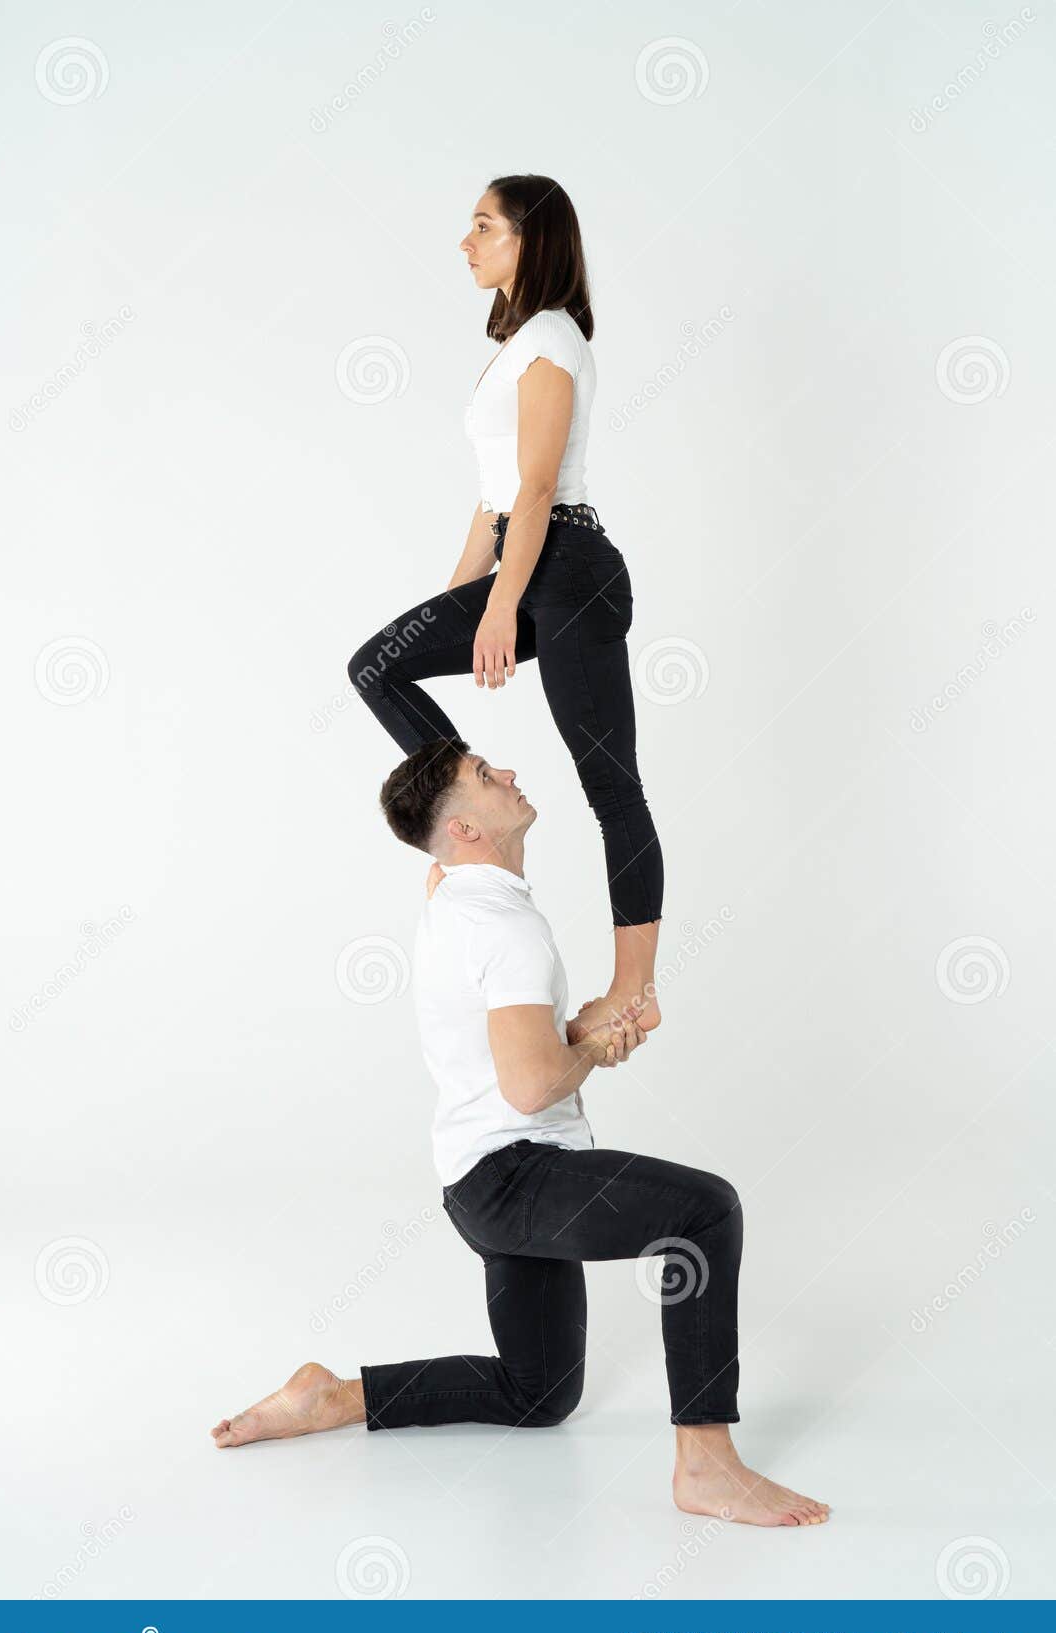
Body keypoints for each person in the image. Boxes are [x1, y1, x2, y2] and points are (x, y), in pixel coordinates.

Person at [210, 740, 830, 1528]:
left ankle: (332, 1396)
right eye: (483, 775)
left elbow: (517, 1051)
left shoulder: (454, 899)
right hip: (515, 1177)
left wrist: (577, 1035)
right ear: (464, 827)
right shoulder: (504, 926)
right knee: (703, 1212)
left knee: (538, 1392)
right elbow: (532, 1084)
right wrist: (596, 1047)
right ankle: (705, 1462)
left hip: (479, 1188)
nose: (506, 773)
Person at [346, 172, 663, 1039]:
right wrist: (457, 603)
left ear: (532, 240)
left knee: (610, 784)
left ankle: (635, 989)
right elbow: (494, 502)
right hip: (532, 557)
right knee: (379, 665)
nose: (466, 241)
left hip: (569, 566)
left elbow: (533, 491)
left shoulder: (553, 339)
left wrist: (499, 607)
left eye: (484, 226)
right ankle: (472, 808)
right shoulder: (521, 341)